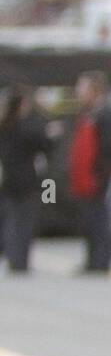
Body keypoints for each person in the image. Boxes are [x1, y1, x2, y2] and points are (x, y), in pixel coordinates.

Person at [67, 71, 111, 273]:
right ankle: (92, 260)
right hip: (85, 178)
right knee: (89, 219)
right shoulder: (87, 114)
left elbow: (108, 149)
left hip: (97, 177)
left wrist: (101, 176)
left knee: (100, 219)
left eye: (82, 87)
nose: (78, 91)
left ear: (94, 90)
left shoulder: (104, 116)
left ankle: (101, 260)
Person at [0, 85, 55, 273]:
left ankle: (13, 257)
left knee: (11, 220)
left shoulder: (6, 125)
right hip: (26, 181)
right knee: (24, 221)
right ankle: (20, 260)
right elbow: (45, 143)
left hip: (8, 180)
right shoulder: (25, 127)